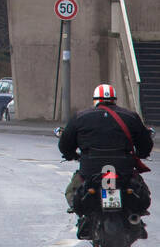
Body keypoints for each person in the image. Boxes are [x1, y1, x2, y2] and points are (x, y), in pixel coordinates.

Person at [59, 84, 152, 236]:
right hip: (123, 169)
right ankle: (135, 218)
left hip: (91, 170)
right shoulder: (130, 116)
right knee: (140, 190)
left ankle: (84, 217)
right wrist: (142, 153)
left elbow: (65, 144)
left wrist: (71, 155)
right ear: (114, 99)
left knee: (72, 191)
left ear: (95, 100)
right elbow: (145, 143)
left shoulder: (80, 117)